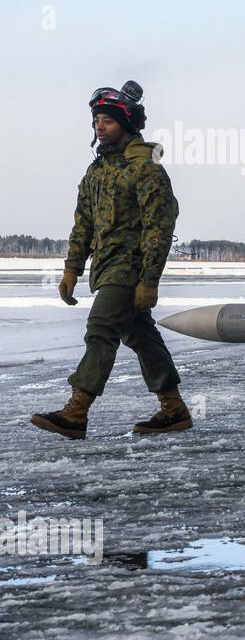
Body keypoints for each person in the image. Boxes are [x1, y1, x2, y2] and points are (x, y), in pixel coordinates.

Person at [31, 82, 192, 440]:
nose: (99, 127)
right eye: (96, 121)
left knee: (101, 329)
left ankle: (76, 412)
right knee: (139, 334)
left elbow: (159, 227)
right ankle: (174, 408)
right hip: (105, 268)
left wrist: (149, 280)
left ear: (127, 124)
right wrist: (72, 269)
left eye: (107, 120)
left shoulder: (145, 169)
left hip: (130, 268)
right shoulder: (96, 172)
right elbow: (83, 224)